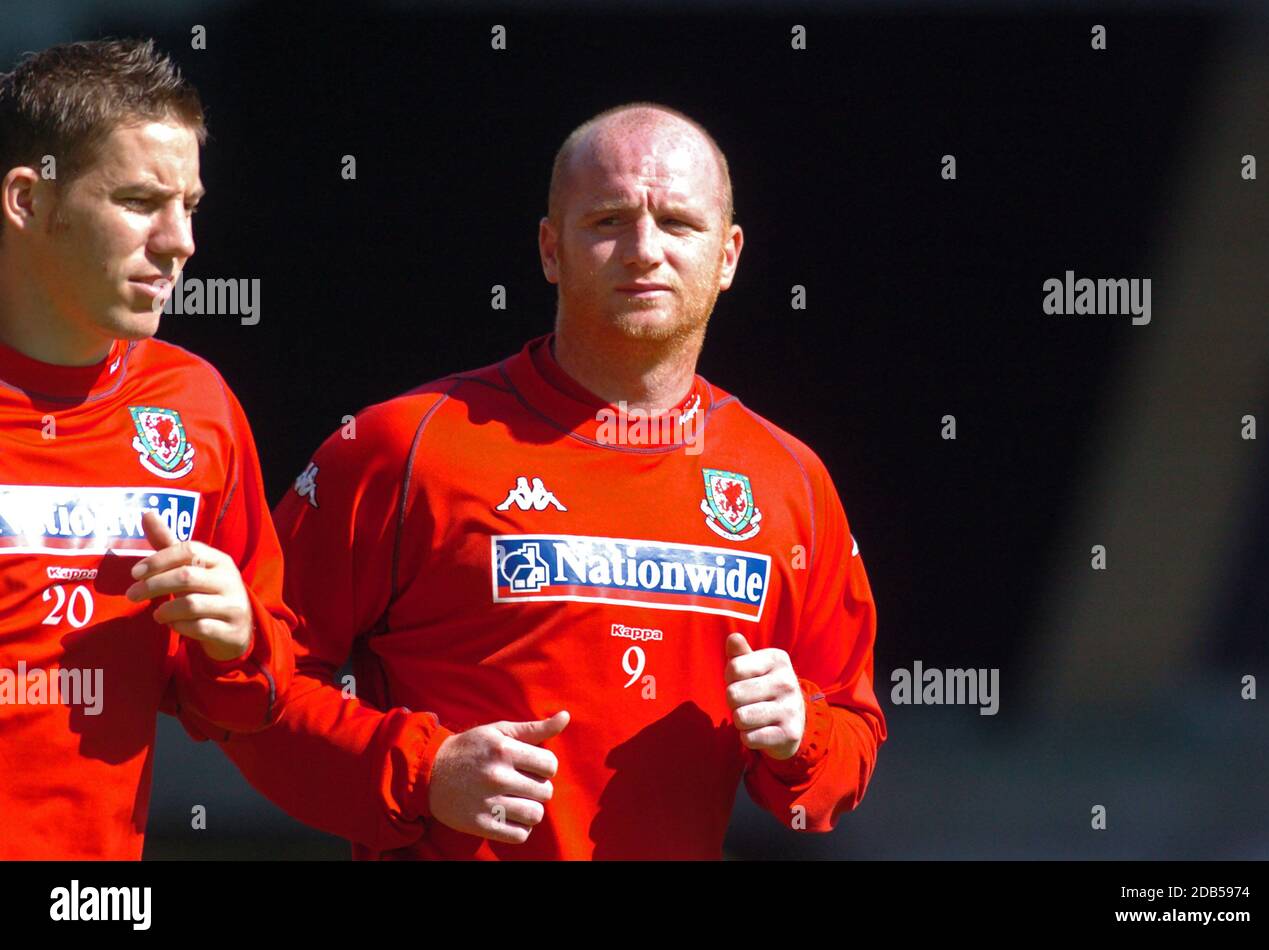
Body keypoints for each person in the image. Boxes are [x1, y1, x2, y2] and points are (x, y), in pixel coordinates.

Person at [223, 102, 887, 859]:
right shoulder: (403, 446)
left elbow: (850, 739)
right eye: (607, 221)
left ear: (728, 255)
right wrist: (422, 771)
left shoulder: (788, 480)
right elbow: (246, 687)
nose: (644, 250)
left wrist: (800, 734)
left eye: (677, 224)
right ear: (550, 249)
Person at [0, 38, 293, 859]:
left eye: (190, 205)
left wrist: (237, 641)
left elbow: (247, 700)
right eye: (139, 201)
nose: (180, 242)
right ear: (27, 199)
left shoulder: (195, 406)